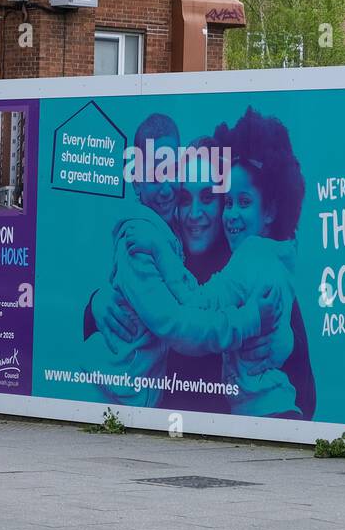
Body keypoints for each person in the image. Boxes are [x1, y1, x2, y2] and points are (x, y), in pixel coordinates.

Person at [80, 114, 281, 406]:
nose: (195, 213)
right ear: (137, 182)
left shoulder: (246, 265)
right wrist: (95, 304)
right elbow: (147, 310)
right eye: (186, 199)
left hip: (207, 424)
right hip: (126, 407)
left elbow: (302, 386)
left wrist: (276, 344)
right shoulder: (154, 240)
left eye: (209, 197)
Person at [210, 108, 307, 418]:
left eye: (244, 202)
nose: (231, 215)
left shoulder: (254, 259)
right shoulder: (274, 259)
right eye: (227, 202)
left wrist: (285, 343)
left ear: (271, 210)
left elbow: (307, 392)